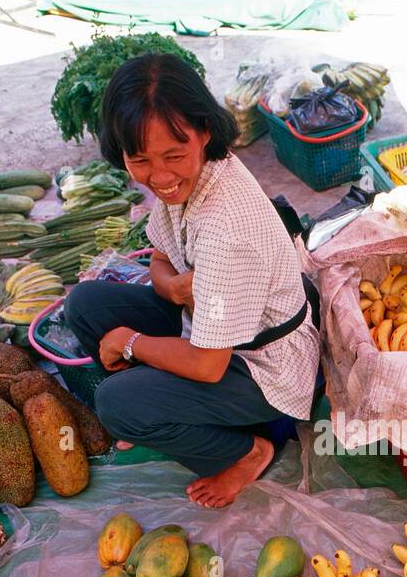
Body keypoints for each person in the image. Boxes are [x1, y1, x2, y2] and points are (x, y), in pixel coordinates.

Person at [65, 54, 319, 509]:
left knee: (117, 404)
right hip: (205, 323)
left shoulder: (226, 230)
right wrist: (168, 287)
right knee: (84, 303)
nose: (159, 177)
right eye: (139, 159)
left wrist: (131, 342)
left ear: (204, 132)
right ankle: (166, 409)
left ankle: (247, 451)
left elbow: (208, 366)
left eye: (173, 156)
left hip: (264, 365)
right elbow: (160, 257)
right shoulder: (188, 178)